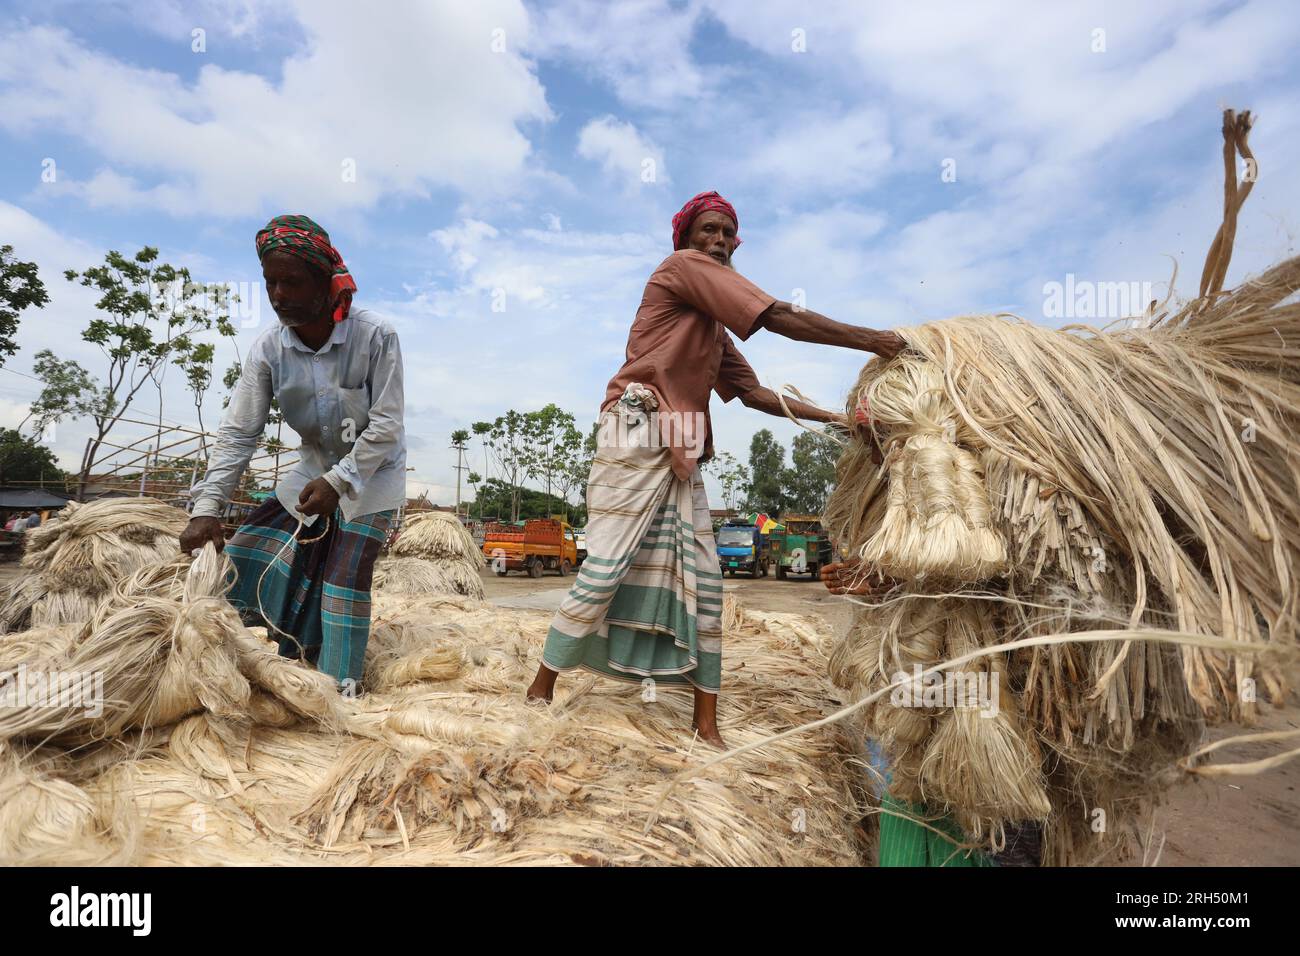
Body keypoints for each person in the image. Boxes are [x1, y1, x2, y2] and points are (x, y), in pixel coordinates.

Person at [524, 190, 905, 748]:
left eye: (729, 234)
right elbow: (776, 316)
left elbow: (753, 394)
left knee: (703, 577)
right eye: (710, 231)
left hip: (680, 446)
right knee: (607, 566)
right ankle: (540, 690)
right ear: (686, 240)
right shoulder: (680, 269)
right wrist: (878, 341)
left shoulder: (712, 331)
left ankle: (706, 726)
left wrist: (838, 420)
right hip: (636, 433)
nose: (721, 242)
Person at [180, 214, 406, 692]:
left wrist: (340, 482)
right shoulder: (269, 349)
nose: (279, 294)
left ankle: (341, 691)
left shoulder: (375, 336)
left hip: (373, 477)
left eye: (293, 282)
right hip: (313, 471)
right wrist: (207, 507)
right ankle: (296, 650)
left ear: (326, 283)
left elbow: (386, 426)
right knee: (246, 554)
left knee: (343, 581)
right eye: (270, 282)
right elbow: (240, 431)